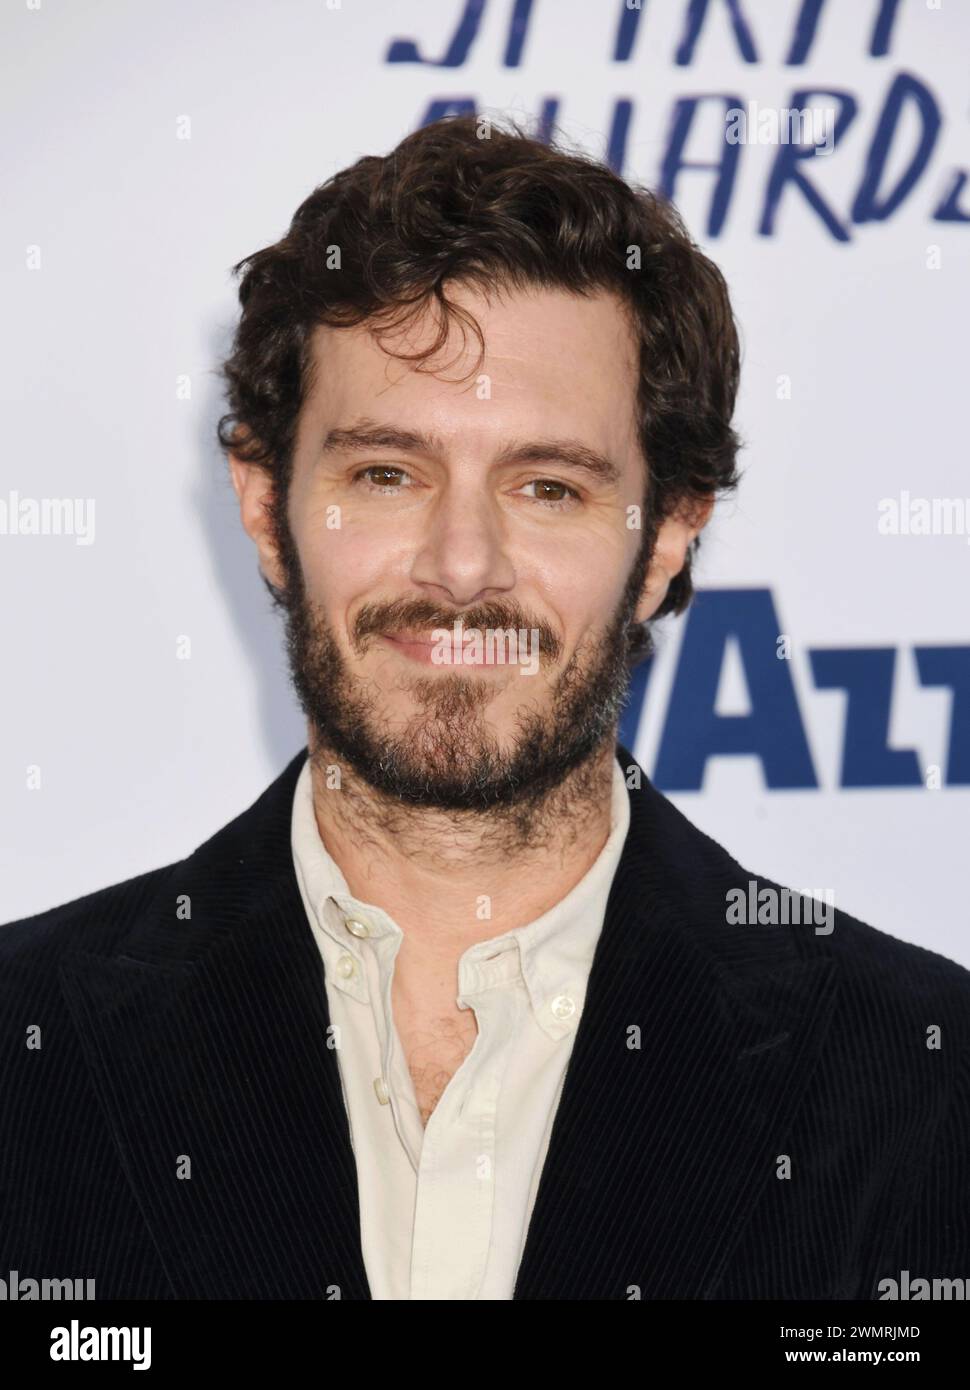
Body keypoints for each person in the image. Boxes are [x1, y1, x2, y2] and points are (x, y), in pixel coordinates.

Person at [1, 115, 968, 1302]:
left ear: (666, 534)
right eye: (388, 474)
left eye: (549, 486)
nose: (463, 567)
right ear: (265, 506)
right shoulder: (23, 1042)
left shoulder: (925, 1085)